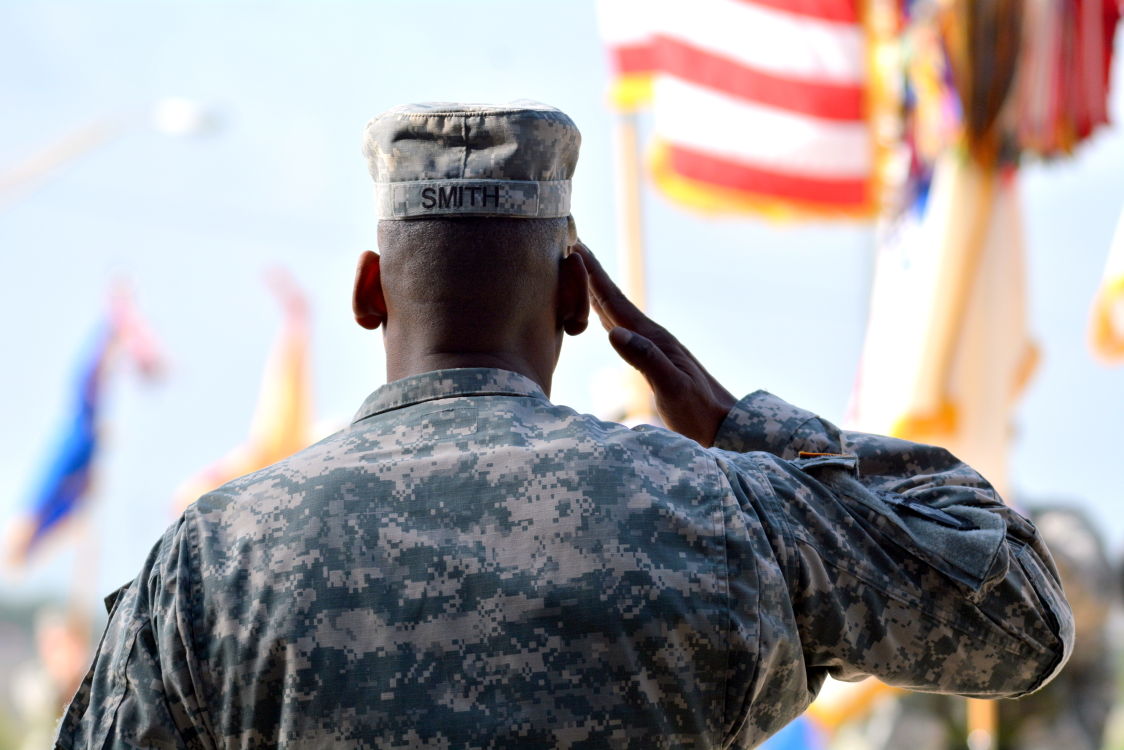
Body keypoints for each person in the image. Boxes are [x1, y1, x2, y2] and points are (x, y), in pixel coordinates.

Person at [55, 101, 1073, 749]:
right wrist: (743, 426)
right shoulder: (719, 514)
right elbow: (1015, 617)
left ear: (369, 291)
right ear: (577, 300)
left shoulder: (215, 561)